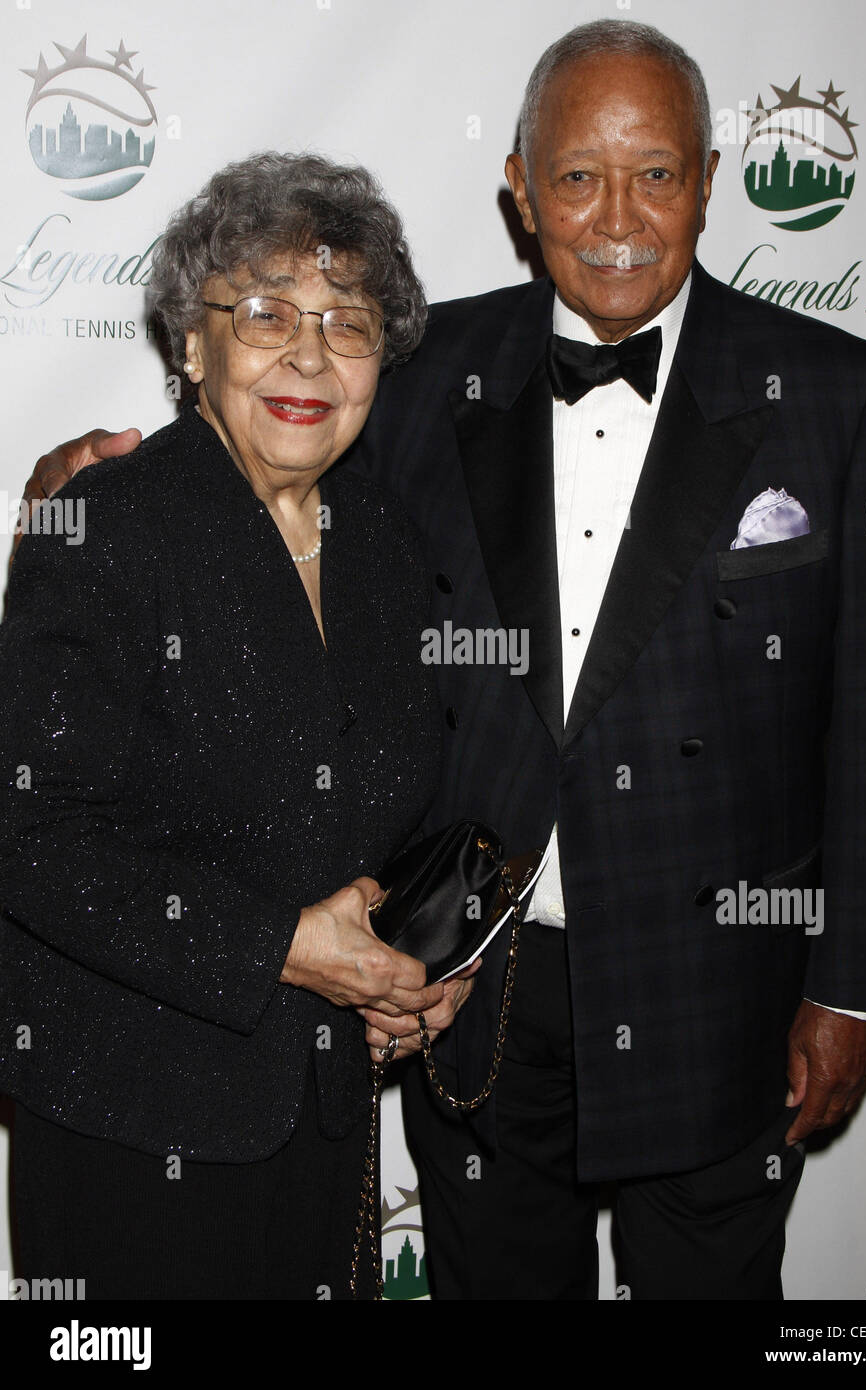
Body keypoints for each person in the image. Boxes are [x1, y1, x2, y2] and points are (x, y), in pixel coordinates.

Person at [20, 21, 866, 1302]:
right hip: (475, 992)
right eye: (574, 176)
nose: (614, 215)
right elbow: (248, 438)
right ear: (517, 185)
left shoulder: (836, 393)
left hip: (717, 986)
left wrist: (855, 987)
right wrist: (76, 480)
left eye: (655, 173)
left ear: (710, 180)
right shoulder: (419, 370)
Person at [0, 150, 473, 1301]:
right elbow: (28, 834)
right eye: (263, 313)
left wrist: (416, 968)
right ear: (193, 345)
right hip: (132, 1125)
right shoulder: (103, 530)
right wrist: (278, 946)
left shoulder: (386, 546)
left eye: (346, 322)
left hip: (320, 1118)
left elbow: (379, 816)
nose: (308, 354)